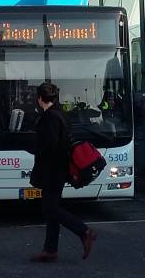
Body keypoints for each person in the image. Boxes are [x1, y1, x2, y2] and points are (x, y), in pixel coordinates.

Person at [27, 82, 98, 263]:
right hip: (59, 169)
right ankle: (50, 250)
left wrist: (34, 149)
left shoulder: (49, 117)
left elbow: (49, 146)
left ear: (40, 99)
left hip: (52, 170)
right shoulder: (61, 114)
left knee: (50, 208)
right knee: (50, 207)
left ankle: (83, 231)